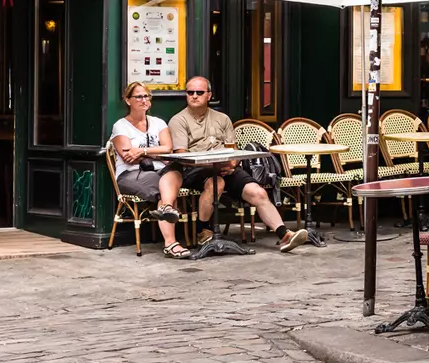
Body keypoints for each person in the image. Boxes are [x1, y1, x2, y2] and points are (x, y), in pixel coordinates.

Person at [167, 75, 308, 253]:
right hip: (196, 169)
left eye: (199, 92)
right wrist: (214, 165)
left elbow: (232, 149)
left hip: (226, 168)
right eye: (190, 92)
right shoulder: (178, 120)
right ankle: (203, 230)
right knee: (216, 183)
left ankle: (284, 235)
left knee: (258, 192)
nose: (194, 96)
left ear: (209, 95)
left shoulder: (222, 119)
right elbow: (182, 156)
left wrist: (232, 164)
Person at [110, 82, 192, 259]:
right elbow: (128, 157)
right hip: (130, 174)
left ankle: (167, 210)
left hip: (160, 171)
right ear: (127, 100)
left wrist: (142, 151)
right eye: (138, 96)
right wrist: (157, 153)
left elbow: (168, 148)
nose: (144, 100)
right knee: (166, 191)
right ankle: (171, 244)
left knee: (175, 172)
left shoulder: (158, 123)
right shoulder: (121, 126)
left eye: (146, 96)